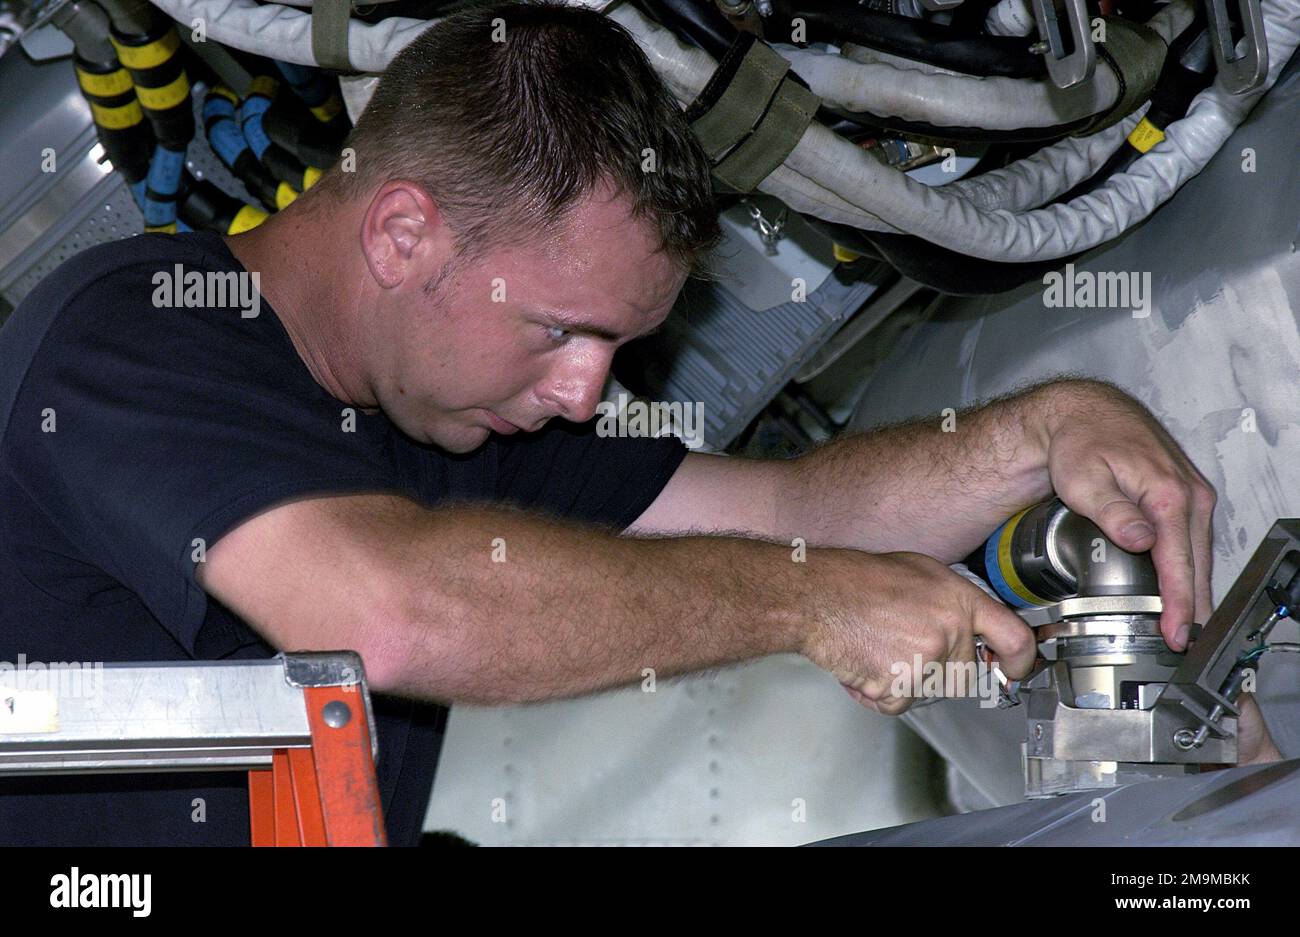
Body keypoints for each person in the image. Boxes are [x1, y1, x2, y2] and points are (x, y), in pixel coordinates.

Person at [0, 0, 1277, 845]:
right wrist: (803, 602)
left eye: (612, 345)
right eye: (559, 330)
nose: (581, 390)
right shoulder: (133, 334)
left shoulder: (449, 408)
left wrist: (1049, 426)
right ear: (402, 235)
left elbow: (788, 509)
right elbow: (382, 616)